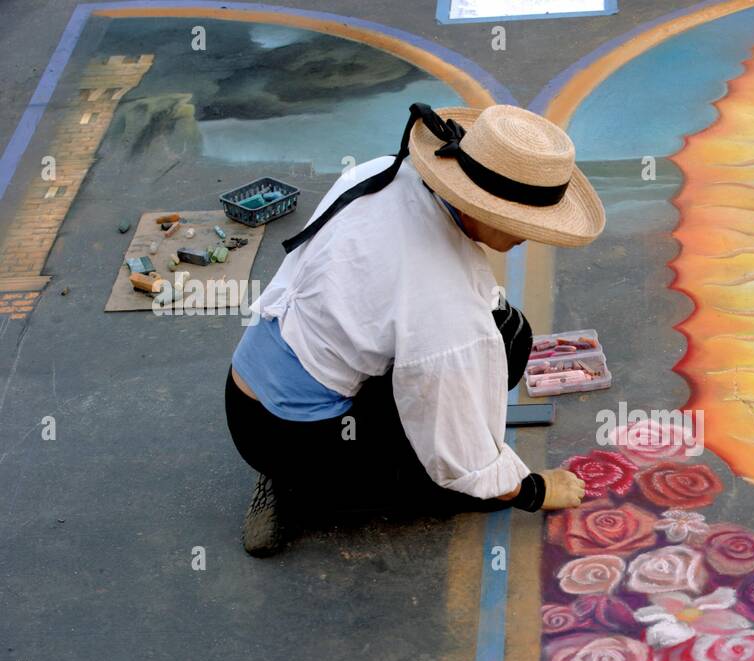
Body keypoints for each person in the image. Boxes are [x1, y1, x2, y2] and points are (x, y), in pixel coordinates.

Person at [225, 103, 604, 556]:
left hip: (243, 392)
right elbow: (459, 455)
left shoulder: (387, 171)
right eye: (527, 223)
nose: (533, 235)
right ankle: (301, 487)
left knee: (507, 332)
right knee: (463, 487)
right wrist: (533, 490)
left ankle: (315, 464)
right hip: (292, 437)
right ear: (484, 206)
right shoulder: (443, 299)